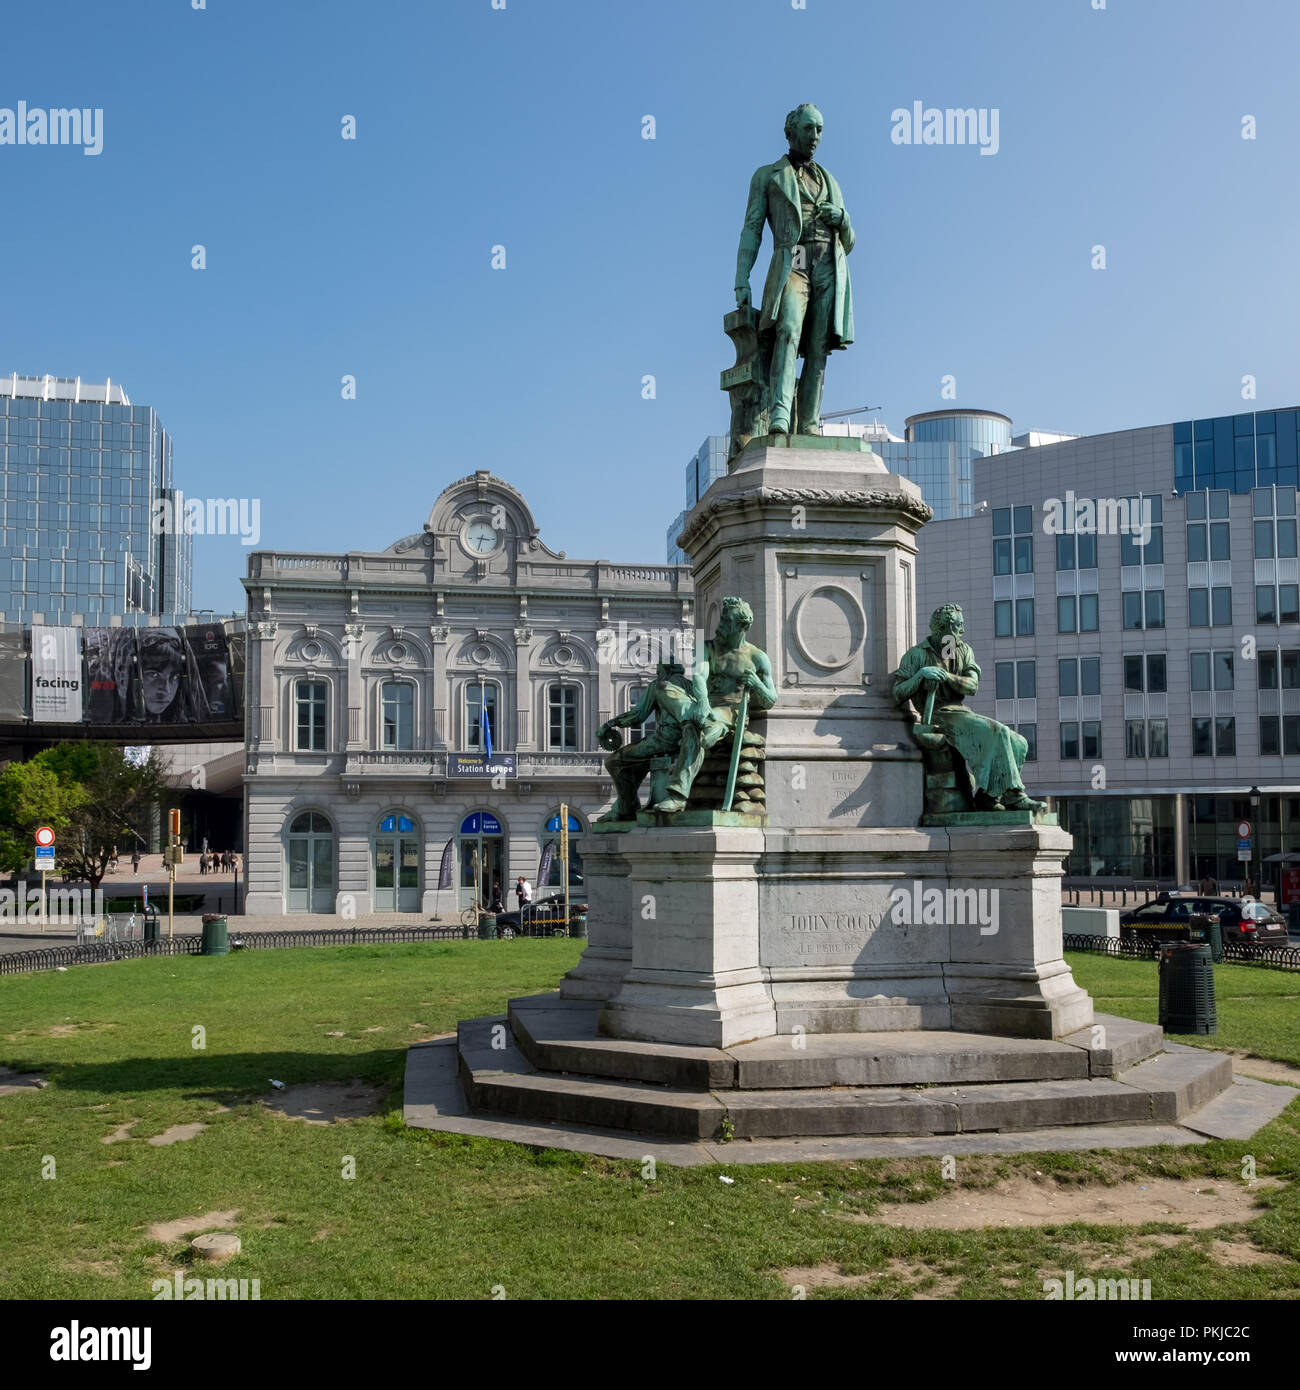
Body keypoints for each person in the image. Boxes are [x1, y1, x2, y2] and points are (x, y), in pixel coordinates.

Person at [735, 103, 855, 436]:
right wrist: (741, 279)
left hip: (828, 263)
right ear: (790, 132)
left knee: (818, 346)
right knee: (788, 329)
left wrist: (842, 219)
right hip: (795, 260)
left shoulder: (831, 181)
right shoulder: (767, 176)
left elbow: (851, 240)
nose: (815, 136)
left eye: (819, 130)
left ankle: (810, 421)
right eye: (808, 128)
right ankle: (780, 413)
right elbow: (752, 229)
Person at [894, 603, 1044, 813]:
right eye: (958, 626)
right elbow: (897, 692)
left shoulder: (963, 650)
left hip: (960, 712)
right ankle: (1014, 795)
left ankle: (988, 796)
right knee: (998, 731)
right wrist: (921, 676)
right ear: (943, 628)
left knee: (1019, 742)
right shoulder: (917, 655)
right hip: (937, 715)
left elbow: (972, 686)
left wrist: (947, 676)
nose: (962, 631)